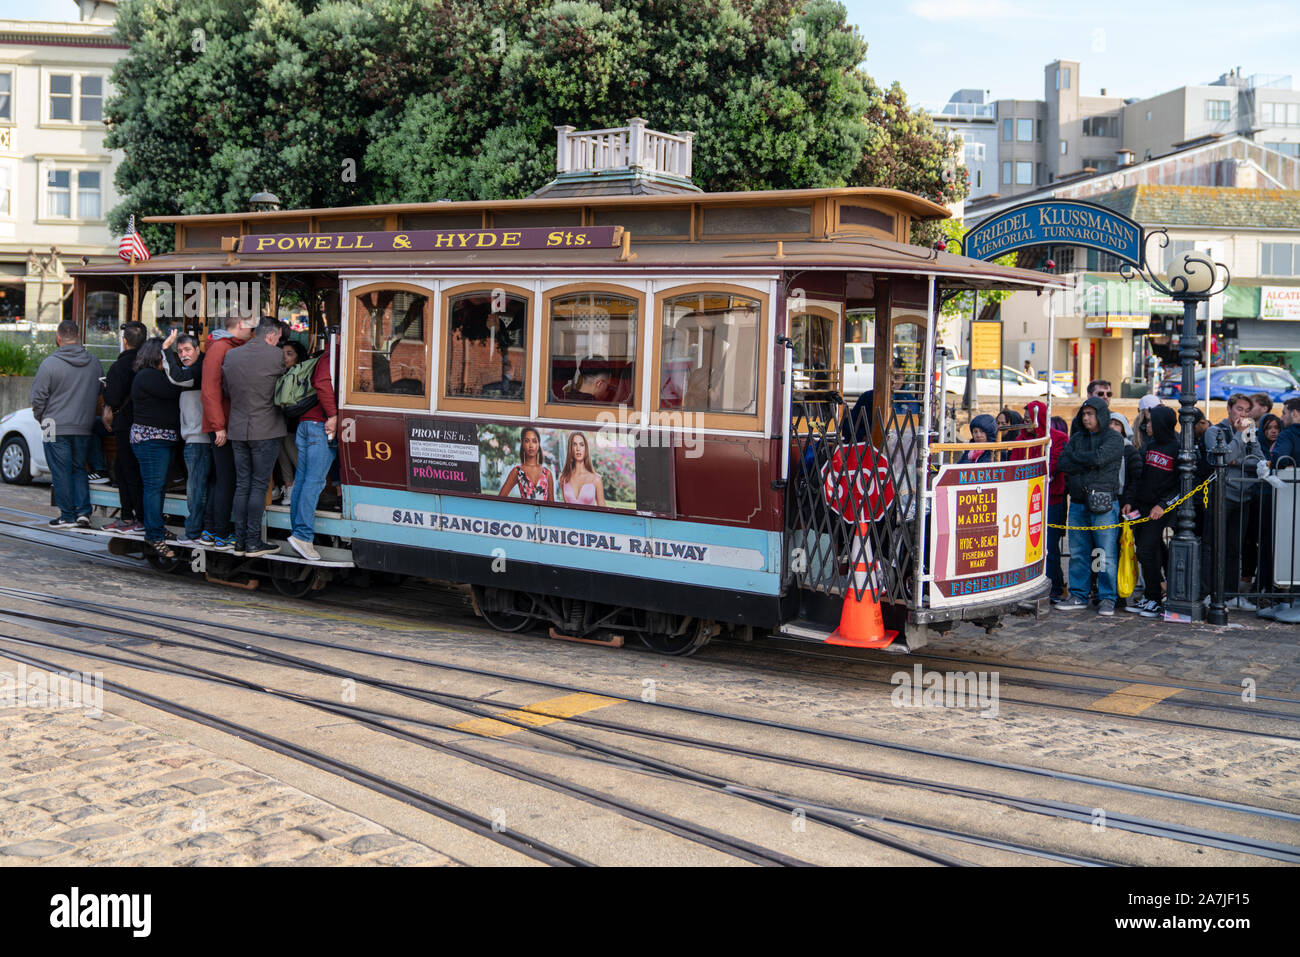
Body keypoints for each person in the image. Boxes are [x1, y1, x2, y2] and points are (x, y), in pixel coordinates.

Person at [220, 316, 288, 557]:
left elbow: (227, 390)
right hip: (266, 429)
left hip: (238, 429)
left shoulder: (232, 355)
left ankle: (239, 541)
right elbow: (284, 389)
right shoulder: (276, 356)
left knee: (242, 485)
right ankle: (252, 541)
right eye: (279, 338)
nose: (279, 342)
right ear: (272, 335)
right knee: (259, 485)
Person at [29, 319, 105, 529]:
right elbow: (101, 392)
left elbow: (37, 398)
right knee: (78, 467)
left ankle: (67, 515)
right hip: (83, 425)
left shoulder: (50, 363)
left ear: (58, 338)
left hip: (53, 424)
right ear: (78, 337)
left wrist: (41, 418)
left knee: (60, 470)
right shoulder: (94, 362)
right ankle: (83, 513)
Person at [1056, 395, 1124, 615]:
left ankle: (1107, 597)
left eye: (1090, 414)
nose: (1086, 418)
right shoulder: (1077, 438)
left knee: (1104, 554)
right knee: (1078, 552)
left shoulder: (1114, 438)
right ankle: (1078, 594)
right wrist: (1086, 460)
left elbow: (1100, 459)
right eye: (1084, 414)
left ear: (1100, 415)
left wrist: (1080, 459)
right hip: (1077, 503)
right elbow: (1063, 462)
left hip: (1103, 504)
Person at [129, 335, 187, 558]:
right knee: (154, 487)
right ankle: (153, 535)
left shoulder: (151, 376)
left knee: (158, 486)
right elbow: (175, 389)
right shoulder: (147, 376)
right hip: (151, 440)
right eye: (168, 354)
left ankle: (157, 528)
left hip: (160, 439)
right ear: (158, 356)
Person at [1202, 393, 1262, 606]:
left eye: (1247, 411)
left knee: (1234, 549)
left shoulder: (1249, 433)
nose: (1243, 414)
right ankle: (1209, 593)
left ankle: (1230, 595)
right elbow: (1223, 459)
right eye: (1239, 409)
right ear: (1229, 409)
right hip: (1221, 496)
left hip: (1243, 497)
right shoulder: (1215, 431)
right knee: (1213, 546)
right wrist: (1238, 437)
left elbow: (1260, 460)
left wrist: (1238, 459)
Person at [200, 312, 254, 550]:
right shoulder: (220, 348)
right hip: (223, 425)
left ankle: (211, 529)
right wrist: (219, 426)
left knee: (220, 479)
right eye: (251, 325)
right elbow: (209, 390)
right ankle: (221, 533)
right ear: (240, 325)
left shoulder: (229, 346)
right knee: (226, 480)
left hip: (227, 423)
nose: (253, 331)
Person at [1124, 406, 1180, 617]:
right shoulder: (1149, 446)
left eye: (1151, 422)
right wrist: (1131, 501)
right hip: (1142, 507)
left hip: (1159, 510)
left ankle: (1155, 598)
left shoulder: (1177, 448)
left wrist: (1164, 505)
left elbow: (1182, 485)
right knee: (1149, 551)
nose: (1147, 426)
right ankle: (1150, 596)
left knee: (1146, 551)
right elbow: (1140, 478)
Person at [286, 339, 339, 562]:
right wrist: (333, 415)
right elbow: (323, 383)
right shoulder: (332, 355)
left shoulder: (323, 355)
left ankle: (298, 532)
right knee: (314, 482)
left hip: (306, 424)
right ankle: (302, 535)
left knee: (303, 479)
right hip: (320, 425)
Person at [102, 321, 148, 532]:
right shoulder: (149, 364)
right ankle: (133, 515)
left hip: (124, 424)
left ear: (125, 341)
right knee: (136, 470)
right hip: (146, 424)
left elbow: (112, 396)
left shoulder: (119, 367)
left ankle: (132, 516)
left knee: (126, 470)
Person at [164, 333, 209, 547]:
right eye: (179, 351)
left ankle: (193, 532)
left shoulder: (196, 371)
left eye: (187, 350)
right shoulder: (194, 369)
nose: (183, 355)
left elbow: (177, 378)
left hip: (199, 439)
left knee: (196, 487)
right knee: (199, 485)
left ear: (197, 350)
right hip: (196, 437)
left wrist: (167, 350)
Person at [1037, 403, 1069, 603]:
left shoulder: (1058, 439)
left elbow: (1054, 466)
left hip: (1053, 500)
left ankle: (1056, 587)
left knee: (1050, 547)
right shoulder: (1027, 439)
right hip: (1034, 499)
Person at [274, 339, 308, 503]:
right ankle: (289, 487)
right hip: (281, 422)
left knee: (292, 452)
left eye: (289, 354)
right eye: (282, 354)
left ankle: (303, 490)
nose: (285, 357)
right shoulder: (279, 373)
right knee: (281, 450)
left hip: (295, 422)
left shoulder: (300, 373)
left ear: (298, 357)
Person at [498, 426, 556, 501]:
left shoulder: (547, 473)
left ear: (538, 444)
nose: (531, 445)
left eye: (534, 441)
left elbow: (551, 506)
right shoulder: (517, 471)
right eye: (527, 441)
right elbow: (500, 499)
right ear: (522, 444)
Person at [559, 431, 605, 507]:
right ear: (570, 449)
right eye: (574, 444)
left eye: (581, 445)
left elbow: (604, 512)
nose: (578, 448)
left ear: (586, 448)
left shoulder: (596, 479)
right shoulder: (564, 478)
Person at [1270, 397, 1300, 467]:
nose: (1281, 418)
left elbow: (1280, 460)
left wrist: (1274, 454)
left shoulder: (1287, 435)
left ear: (1294, 413)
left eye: (1284, 413)